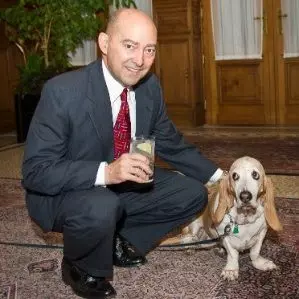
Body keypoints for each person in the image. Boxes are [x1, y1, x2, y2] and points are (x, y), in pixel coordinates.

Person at [22, 8, 225, 299]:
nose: (140, 60)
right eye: (129, 46)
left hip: (121, 185)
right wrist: (107, 172)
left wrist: (221, 177)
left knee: (193, 194)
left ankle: (121, 241)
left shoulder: (150, 87)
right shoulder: (62, 92)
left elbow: (170, 142)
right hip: (67, 191)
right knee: (102, 205)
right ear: (104, 44)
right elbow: (36, 172)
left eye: (149, 50)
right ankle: (80, 266)